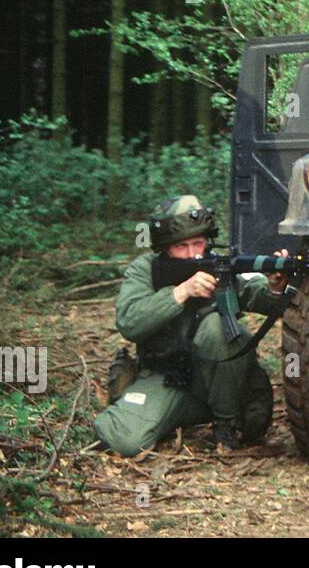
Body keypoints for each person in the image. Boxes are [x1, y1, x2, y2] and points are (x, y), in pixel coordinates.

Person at [94, 195, 287, 456]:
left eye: (198, 243)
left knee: (219, 329)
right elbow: (129, 322)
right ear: (164, 247)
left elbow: (254, 293)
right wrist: (181, 292)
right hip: (165, 377)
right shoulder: (145, 270)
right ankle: (176, 414)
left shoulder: (217, 265)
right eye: (181, 246)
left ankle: (225, 425)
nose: (192, 253)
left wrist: (274, 287)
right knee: (121, 439)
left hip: (217, 382)